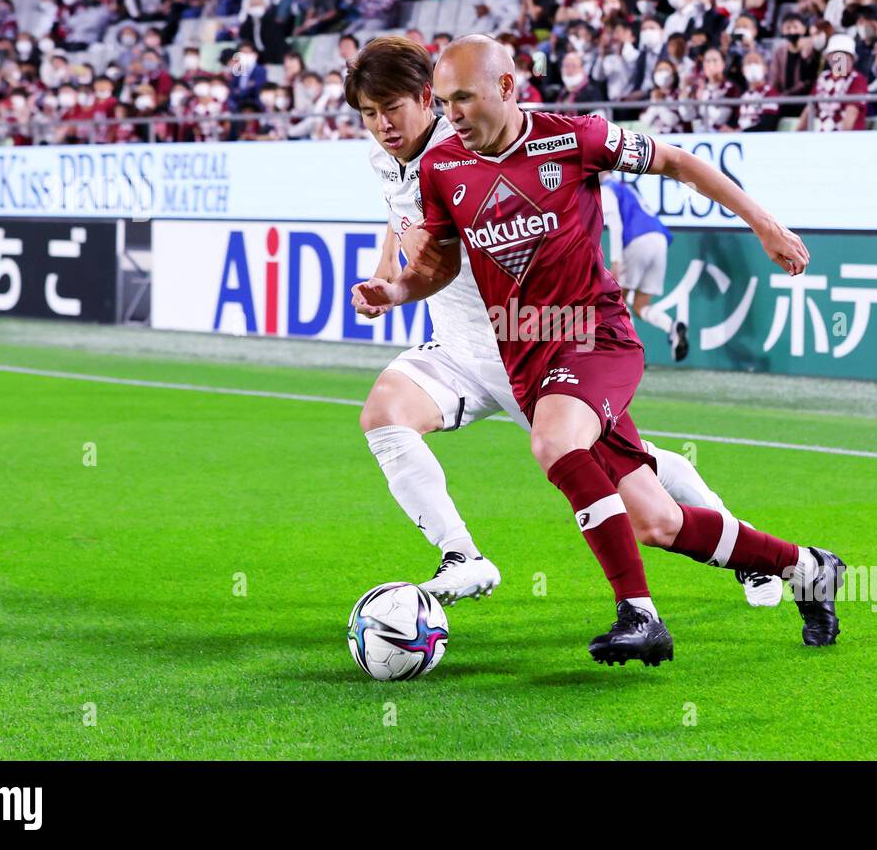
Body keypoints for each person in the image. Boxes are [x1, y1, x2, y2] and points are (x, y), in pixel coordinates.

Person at [354, 36, 843, 664]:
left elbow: (676, 162)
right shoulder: (441, 167)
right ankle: (807, 567)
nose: (452, 115)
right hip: (523, 354)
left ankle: (639, 614)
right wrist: (392, 290)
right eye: (445, 103)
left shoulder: (574, 138)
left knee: (555, 442)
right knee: (656, 522)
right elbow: (434, 267)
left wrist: (765, 224)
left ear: (506, 88)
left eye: (463, 100)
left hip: (593, 335)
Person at [600, 173, 687, 362]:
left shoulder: (607, 188)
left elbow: (615, 225)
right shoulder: (626, 187)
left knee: (618, 301)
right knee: (640, 305)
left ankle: (632, 353)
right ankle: (671, 326)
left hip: (637, 241)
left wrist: (615, 261)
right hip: (660, 240)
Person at [800, 33, 869, 131]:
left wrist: (839, 141)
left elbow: (852, 112)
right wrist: (795, 136)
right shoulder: (823, 78)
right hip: (823, 139)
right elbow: (810, 109)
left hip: (849, 141)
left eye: (844, 55)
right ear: (828, 57)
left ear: (852, 59)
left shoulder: (857, 79)